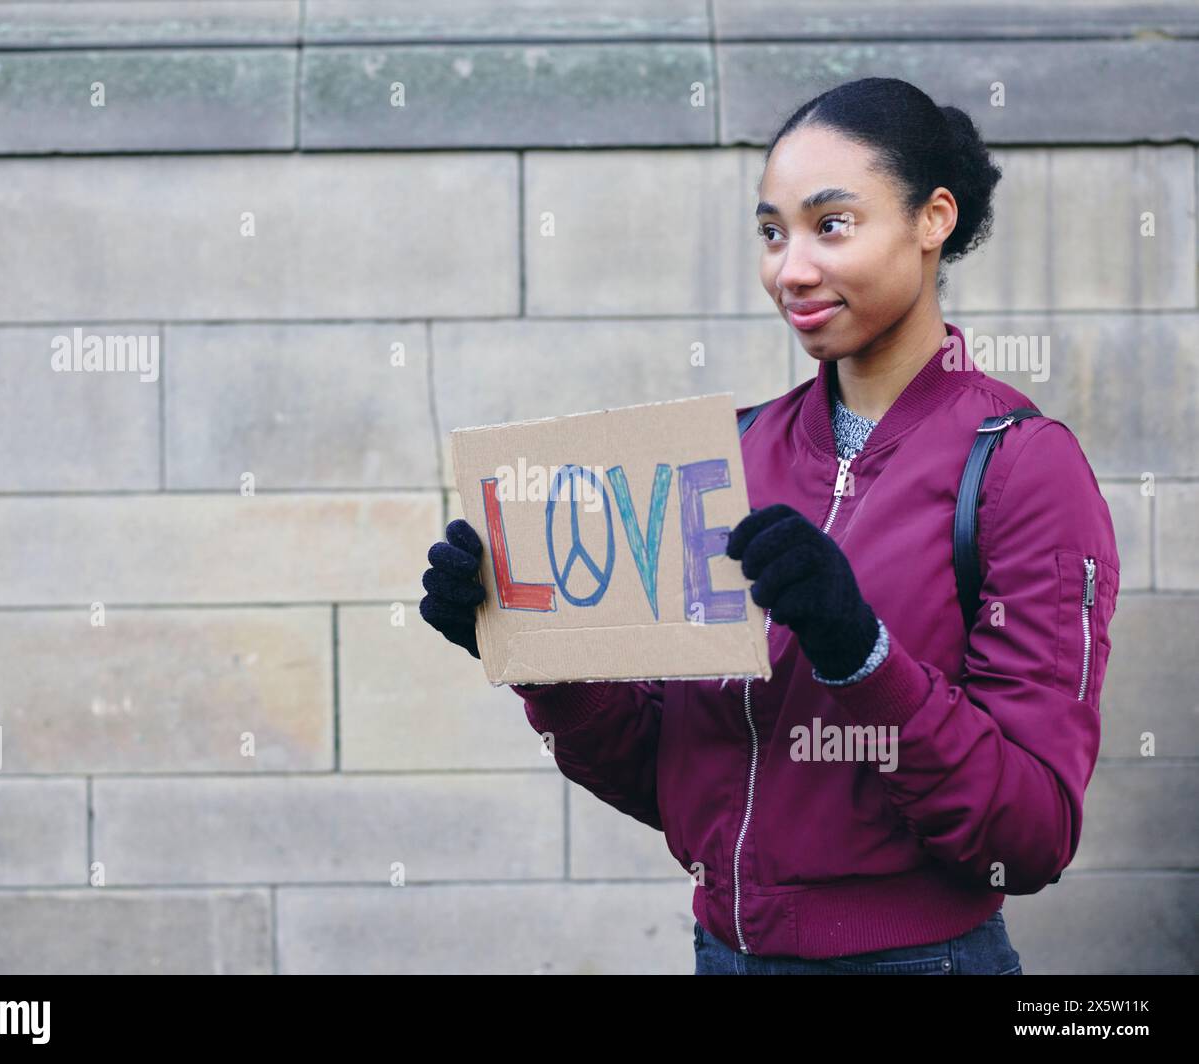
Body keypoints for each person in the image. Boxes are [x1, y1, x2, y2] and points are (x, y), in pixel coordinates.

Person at [420, 77, 1120, 975]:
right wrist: (537, 656)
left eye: (832, 225)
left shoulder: (1023, 466)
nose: (790, 270)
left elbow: (1031, 834)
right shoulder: (733, 454)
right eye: (771, 232)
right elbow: (671, 780)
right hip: (725, 955)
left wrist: (859, 654)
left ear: (932, 219)